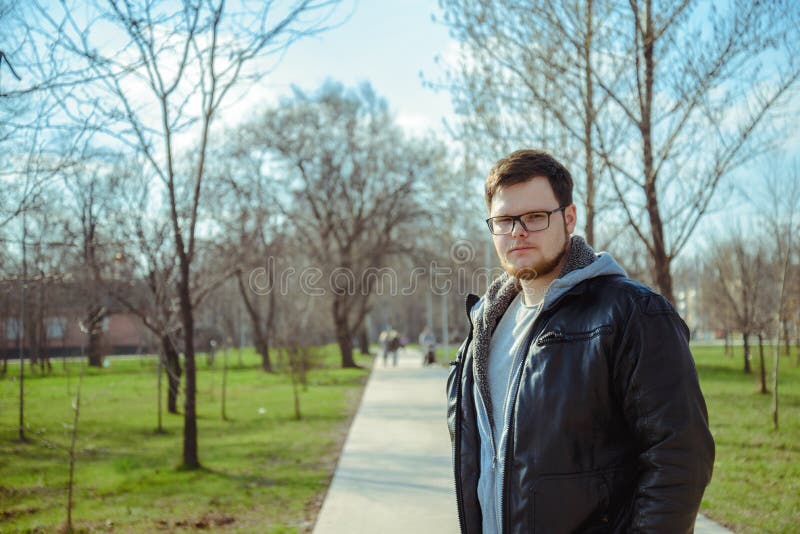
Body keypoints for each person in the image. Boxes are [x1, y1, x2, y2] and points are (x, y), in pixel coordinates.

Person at [446, 149, 714, 533]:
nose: (517, 231)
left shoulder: (631, 314)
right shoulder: (482, 330)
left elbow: (680, 459)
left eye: (535, 217)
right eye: (504, 220)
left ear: (569, 218)